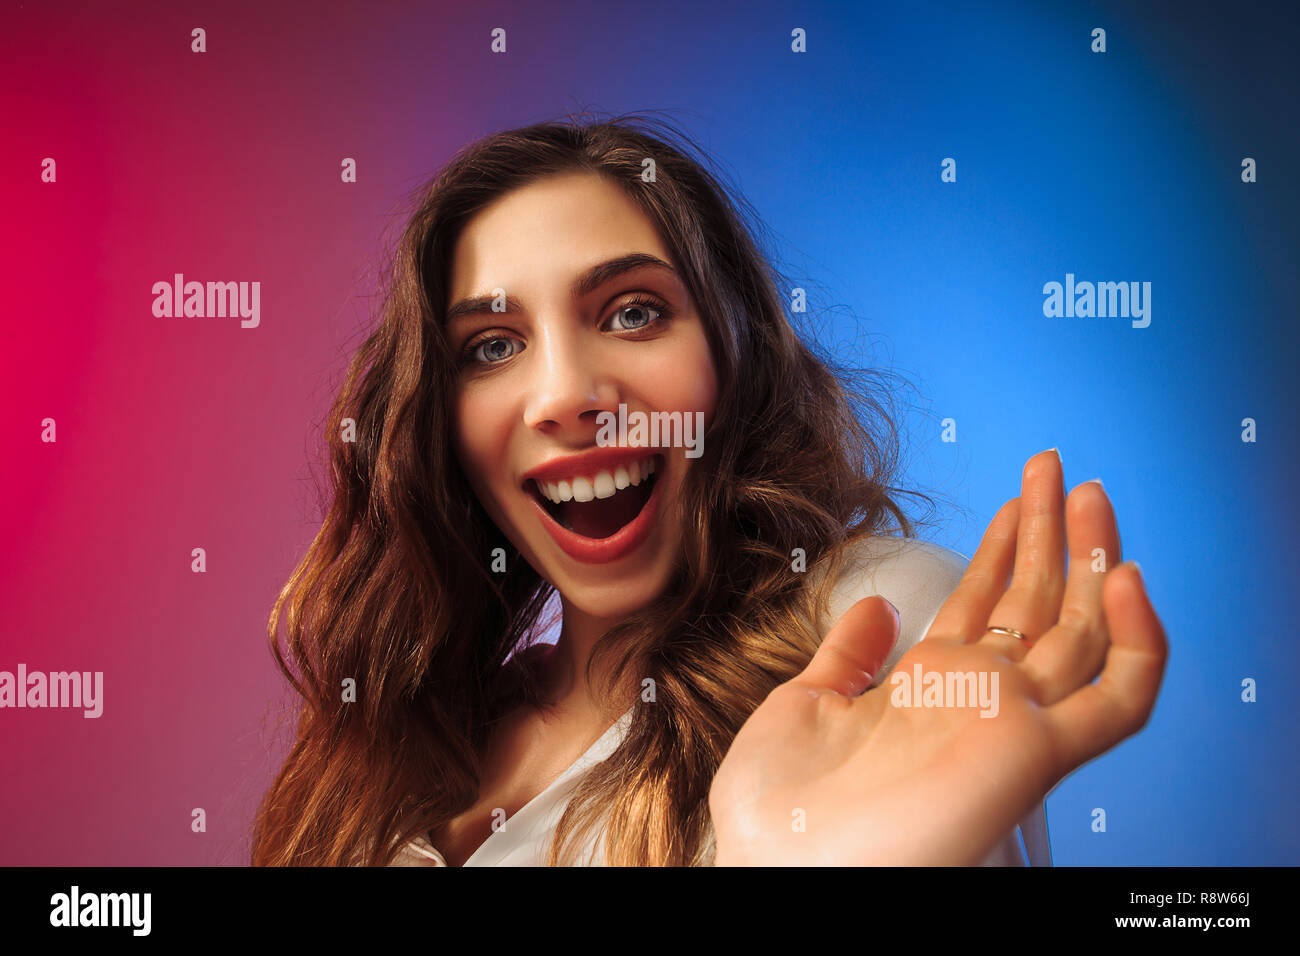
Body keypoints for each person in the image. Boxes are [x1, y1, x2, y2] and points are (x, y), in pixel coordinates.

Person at [251, 113, 1166, 867]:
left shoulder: (870, 619)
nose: (568, 396)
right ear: (441, 422)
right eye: (492, 346)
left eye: (634, 313)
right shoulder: (409, 744)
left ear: (735, 356)